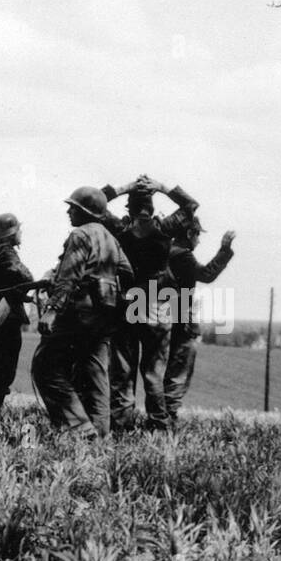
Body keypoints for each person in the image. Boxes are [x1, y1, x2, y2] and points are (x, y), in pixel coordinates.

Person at [31, 186, 134, 437]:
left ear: (85, 211)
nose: (68, 211)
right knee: (97, 376)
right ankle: (100, 436)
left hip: (77, 314)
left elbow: (68, 276)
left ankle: (79, 428)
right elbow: (128, 273)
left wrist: (52, 310)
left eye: (73, 207)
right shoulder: (111, 238)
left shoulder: (80, 234)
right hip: (104, 317)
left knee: (45, 367)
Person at [101, 175, 200, 432]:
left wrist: (124, 187)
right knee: (154, 372)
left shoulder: (121, 230)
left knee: (123, 371)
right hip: (157, 303)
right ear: (152, 208)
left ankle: (121, 427)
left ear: (129, 208)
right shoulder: (166, 229)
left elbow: (96, 204)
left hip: (127, 301)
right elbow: (191, 205)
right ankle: (158, 426)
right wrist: (162, 187)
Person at [161, 219, 235, 428]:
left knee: (164, 370)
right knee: (179, 370)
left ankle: (160, 417)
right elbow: (206, 275)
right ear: (189, 233)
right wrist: (224, 250)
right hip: (180, 320)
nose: (199, 240)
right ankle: (167, 421)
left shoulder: (165, 251)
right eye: (197, 235)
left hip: (162, 317)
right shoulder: (182, 254)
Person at [0, 213, 34, 414]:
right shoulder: (6, 251)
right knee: (3, 366)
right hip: (5, 315)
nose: (20, 233)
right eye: (18, 230)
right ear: (11, 232)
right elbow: (24, 275)